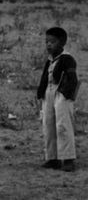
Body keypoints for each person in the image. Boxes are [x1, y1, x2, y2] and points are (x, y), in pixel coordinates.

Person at [37, 26, 79, 172]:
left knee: (63, 125)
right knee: (48, 125)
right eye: (47, 42)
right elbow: (44, 78)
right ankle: (52, 158)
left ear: (62, 43)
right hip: (48, 94)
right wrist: (40, 93)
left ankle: (68, 159)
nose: (49, 45)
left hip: (61, 93)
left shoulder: (67, 59)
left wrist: (65, 95)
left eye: (52, 42)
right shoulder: (50, 60)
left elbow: (72, 79)